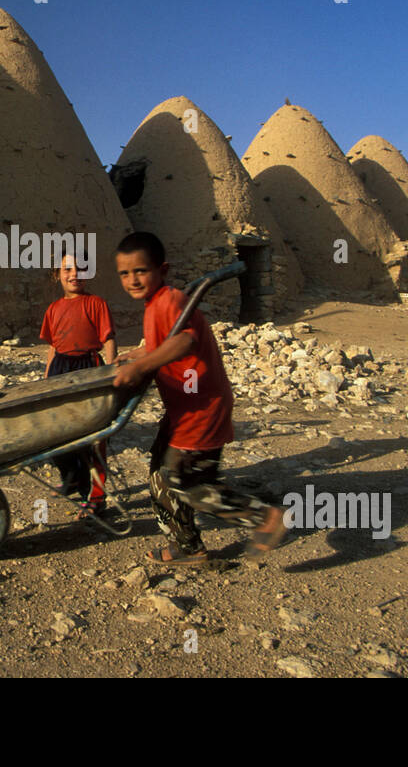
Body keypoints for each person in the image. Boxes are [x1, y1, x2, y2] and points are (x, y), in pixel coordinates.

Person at [111, 232, 285, 566]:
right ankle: (188, 548)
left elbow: (185, 342)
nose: (132, 279)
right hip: (182, 408)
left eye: (140, 271)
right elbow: (163, 342)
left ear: (162, 269)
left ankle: (261, 518)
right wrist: (138, 354)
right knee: (161, 478)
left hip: (201, 408)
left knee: (187, 482)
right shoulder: (155, 306)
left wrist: (144, 365)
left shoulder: (171, 300)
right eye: (124, 273)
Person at [40, 253, 116, 514]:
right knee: (55, 429)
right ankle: (71, 476)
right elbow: (53, 347)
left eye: (81, 269)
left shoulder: (96, 303)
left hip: (88, 367)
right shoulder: (53, 309)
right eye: (67, 269)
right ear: (56, 274)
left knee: (94, 436)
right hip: (61, 368)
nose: (74, 274)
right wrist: (47, 380)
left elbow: (108, 339)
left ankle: (95, 497)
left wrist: (110, 373)